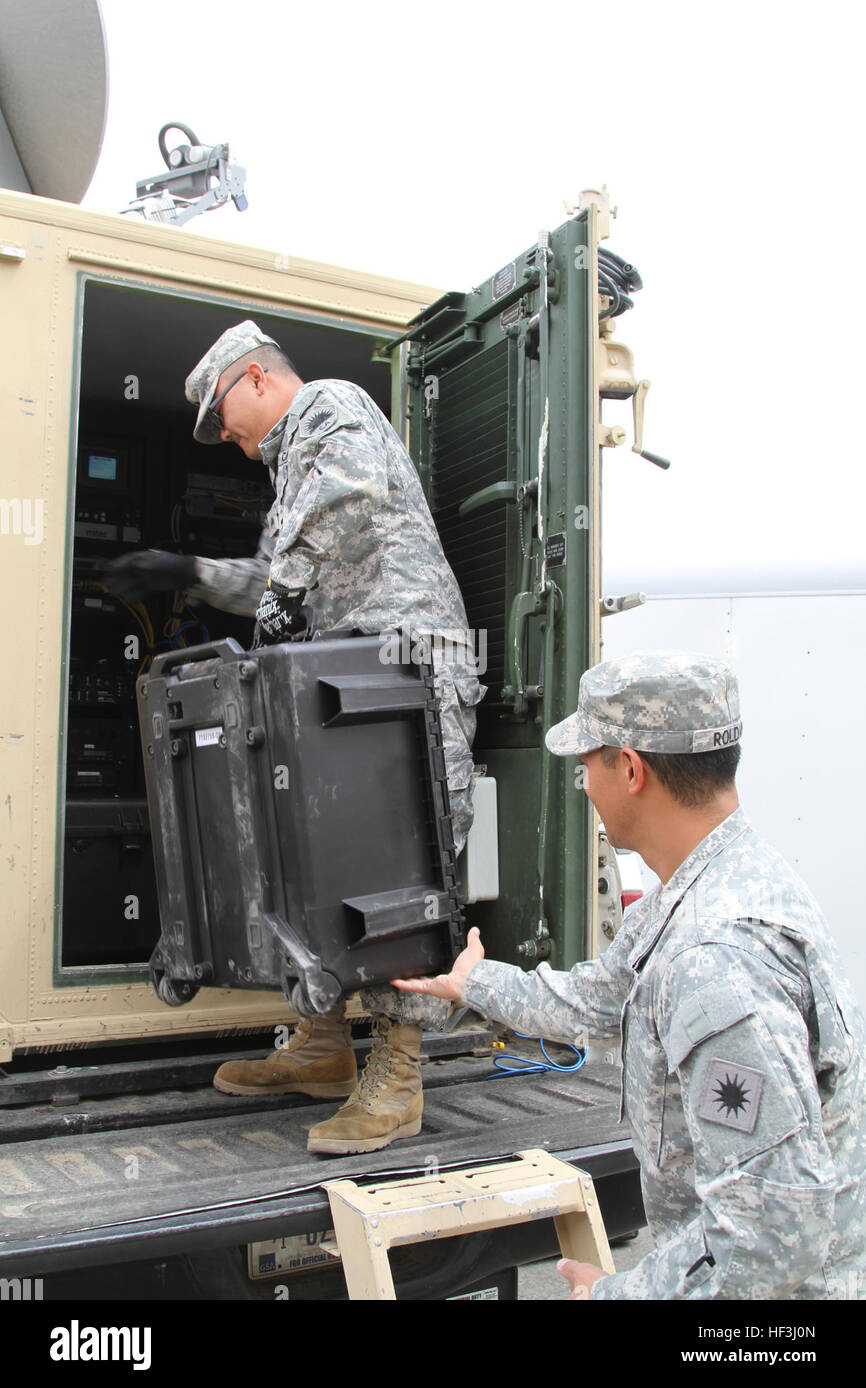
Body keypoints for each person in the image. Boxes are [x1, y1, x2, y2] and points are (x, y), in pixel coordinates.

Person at [106, 320, 484, 1156]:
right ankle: (320, 1045)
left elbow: (334, 514)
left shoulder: (330, 409)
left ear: (253, 378)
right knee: (323, 861)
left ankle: (400, 1071)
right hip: (348, 681)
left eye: (223, 416)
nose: (230, 441)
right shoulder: (294, 481)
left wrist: (282, 588)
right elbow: (282, 579)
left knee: (406, 872)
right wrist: (189, 573)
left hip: (411, 669)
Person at [392, 651, 866, 1299]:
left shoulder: (715, 958)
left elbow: (775, 1233)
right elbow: (596, 1001)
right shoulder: (718, 882)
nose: (583, 785)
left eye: (588, 764)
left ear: (632, 769)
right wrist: (474, 982)